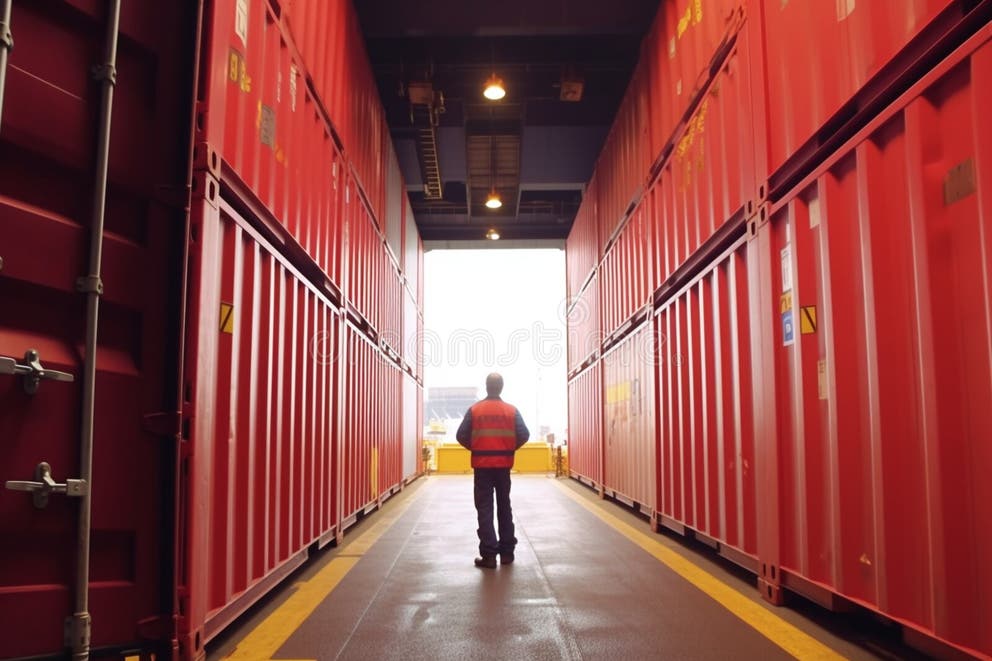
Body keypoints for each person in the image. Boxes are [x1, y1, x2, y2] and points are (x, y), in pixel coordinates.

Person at [456, 372, 530, 568]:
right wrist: (507, 448)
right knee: (505, 506)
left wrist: (478, 447)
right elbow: (524, 434)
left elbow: (461, 435)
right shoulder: (511, 411)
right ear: (501, 387)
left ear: (487, 386)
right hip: (503, 467)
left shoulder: (475, 410)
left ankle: (489, 555)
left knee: (485, 509)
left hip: (482, 468)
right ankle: (507, 554)